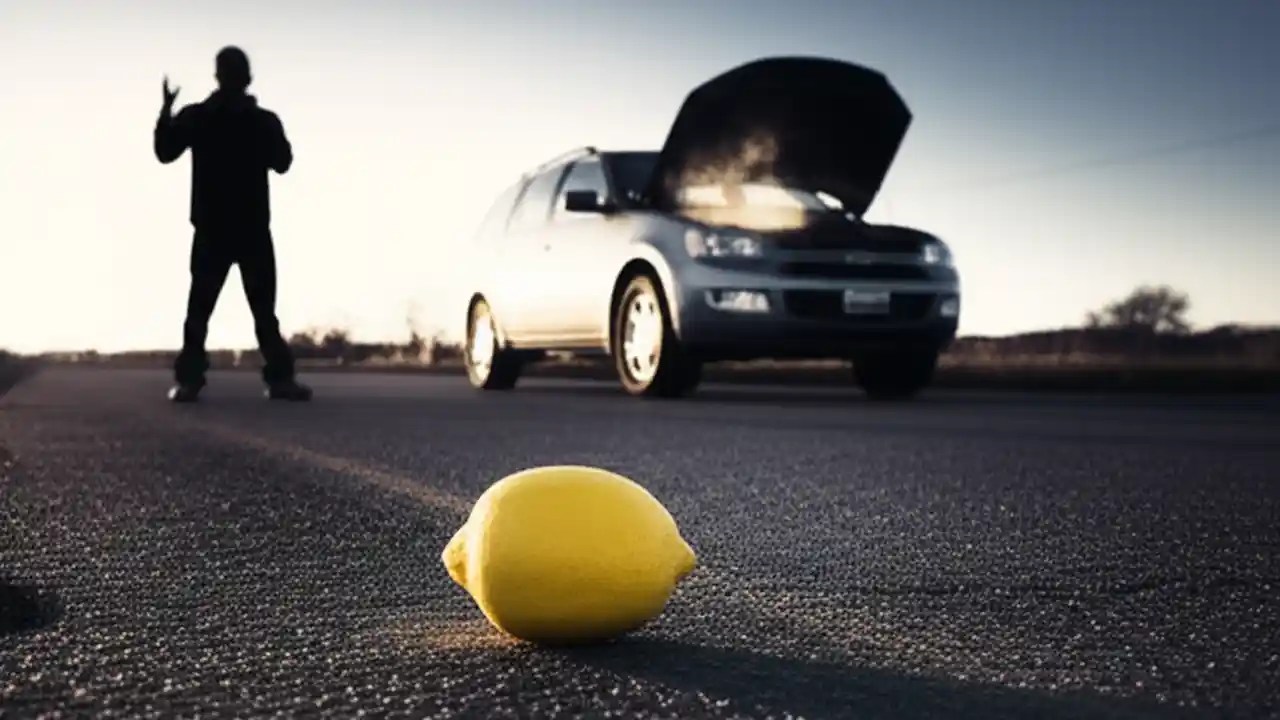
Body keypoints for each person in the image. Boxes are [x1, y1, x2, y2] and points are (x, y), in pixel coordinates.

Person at [154, 46, 312, 403]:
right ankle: (280, 380)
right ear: (248, 78)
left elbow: (165, 151)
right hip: (250, 229)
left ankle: (190, 381)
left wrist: (166, 112)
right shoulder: (261, 121)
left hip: (215, 229)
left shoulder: (199, 117)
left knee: (201, 310)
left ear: (218, 76)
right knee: (260, 311)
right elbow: (283, 162)